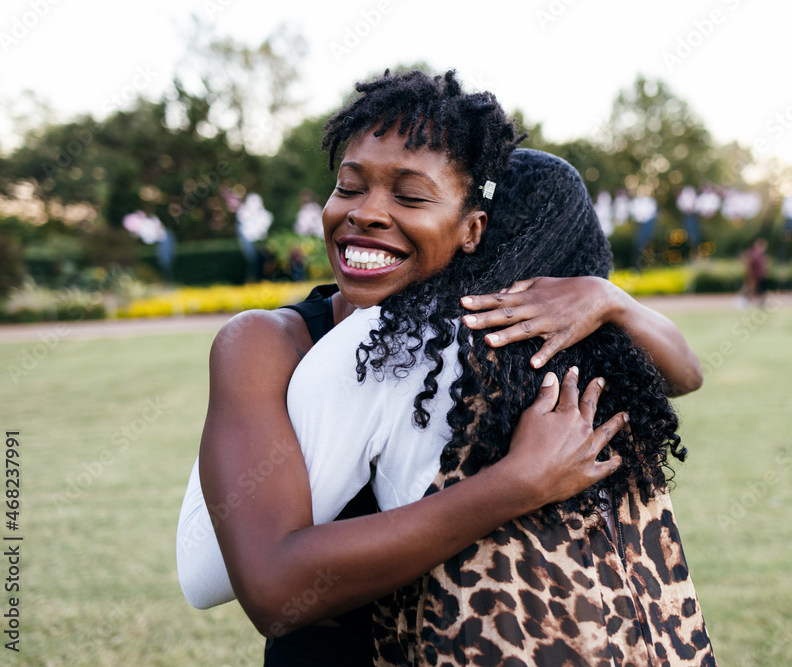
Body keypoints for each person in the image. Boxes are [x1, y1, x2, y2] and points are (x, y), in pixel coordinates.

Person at [176, 70, 704, 664]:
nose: (367, 213)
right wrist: (515, 485)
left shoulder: (488, 346)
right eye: (349, 188)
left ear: (472, 228)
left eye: (410, 196)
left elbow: (683, 375)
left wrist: (610, 299)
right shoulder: (268, 343)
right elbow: (272, 591)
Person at [365, 149, 715, 665]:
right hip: (627, 625)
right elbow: (687, 375)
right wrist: (608, 296)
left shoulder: (590, 327)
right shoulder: (447, 340)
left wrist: (605, 298)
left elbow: (689, 372)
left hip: (504, 630)